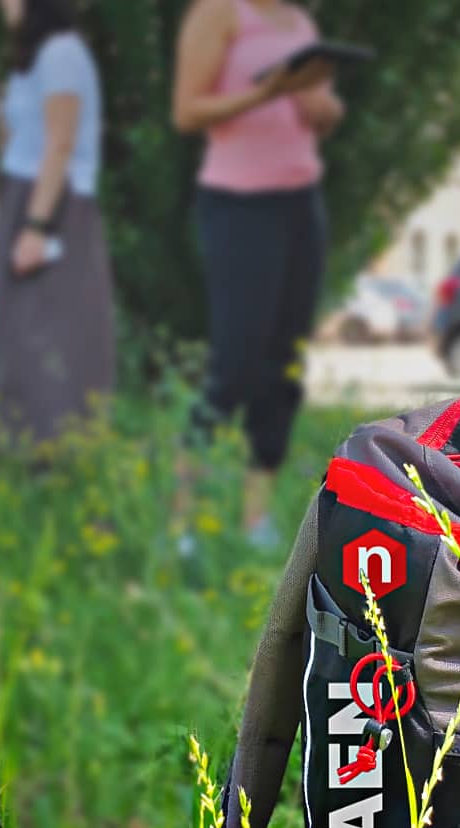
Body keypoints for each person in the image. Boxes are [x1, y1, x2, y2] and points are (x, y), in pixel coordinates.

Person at [172, 0, 344, 549]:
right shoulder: (221, 13)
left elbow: (320, 117)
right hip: (238, 206)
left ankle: (256, 516)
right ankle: (181, 520)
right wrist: (269, 91)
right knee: (235, 364)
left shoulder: (300, 24)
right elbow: (187, 111)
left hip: (301, 204)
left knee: (283, 364)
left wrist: (318, 105)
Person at [0, 0, 115, 452]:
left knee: (52, 330)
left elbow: (61, 144)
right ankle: (14, 446)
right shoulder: (36, 59)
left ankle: (55, 452)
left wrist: (35, 225)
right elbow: (23, 146)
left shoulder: (62, 52)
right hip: (29, 196)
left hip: (55, 205)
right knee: (15, 328)